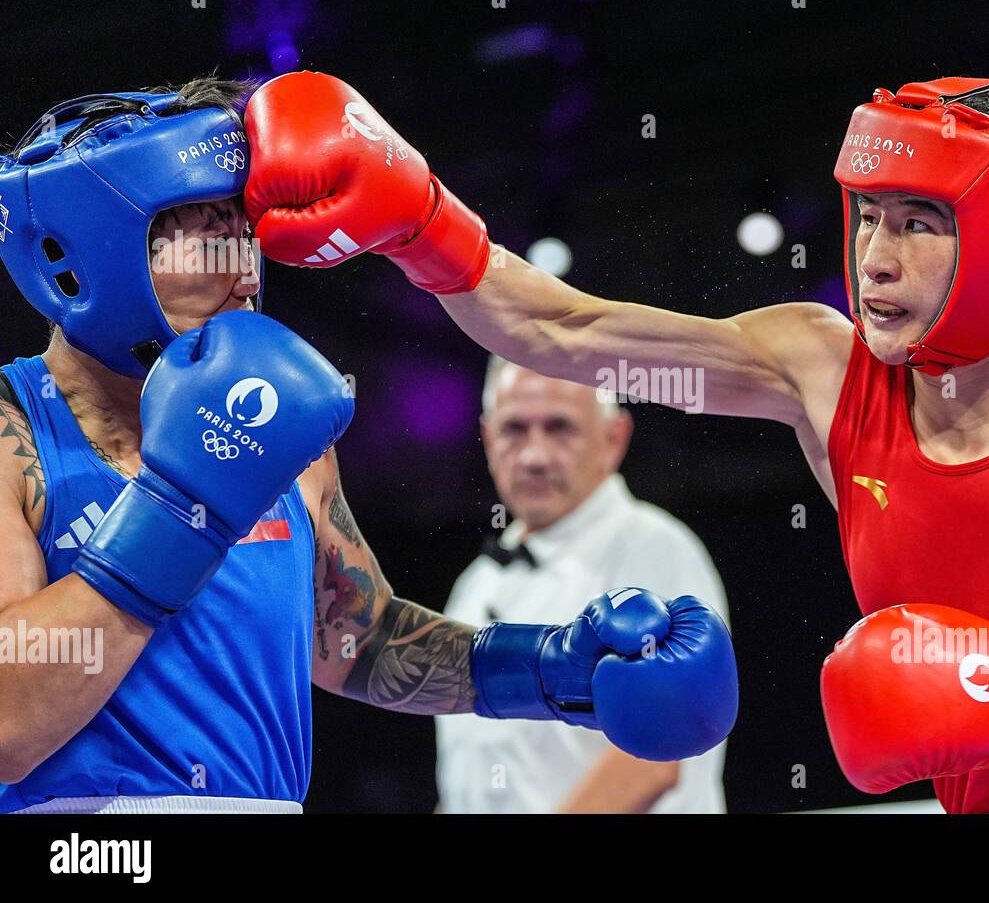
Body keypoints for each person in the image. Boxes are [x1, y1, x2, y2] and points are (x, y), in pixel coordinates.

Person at [244, 72, 989, 813]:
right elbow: (561, 332)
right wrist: (418, 220)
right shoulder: (821, 370)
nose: (873, 258)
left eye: (918, 222)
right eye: (865, 217)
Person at [0, 81, 736, 813]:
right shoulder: (13, 432)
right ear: (81, 259)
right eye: (207, 237)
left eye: (247, 233)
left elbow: (363, 638)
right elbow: (7, 723)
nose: (247, 273)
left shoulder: (278, 427)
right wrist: (179, 506)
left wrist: (548, 668)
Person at [437, 357, 730, 813]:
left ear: (613, 439)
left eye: (560, 428)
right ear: (488, 437)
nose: (534, 456)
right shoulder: (475, 584)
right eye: (515, 429)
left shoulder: (652, 547)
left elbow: (652, 756)